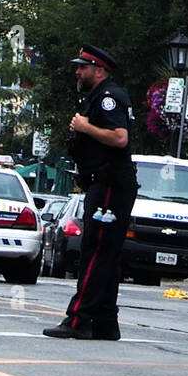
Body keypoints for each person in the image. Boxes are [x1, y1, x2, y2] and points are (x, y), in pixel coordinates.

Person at [44, 42, 138, 341]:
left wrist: (85, 127)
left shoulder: (109, 98)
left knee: (95, 252)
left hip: (111, 184)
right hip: (105, 183)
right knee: (106, 255)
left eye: (82, 67)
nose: (77, 71)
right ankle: (105, 322)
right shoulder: (97, 97)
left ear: (99, 70)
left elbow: (120, 138)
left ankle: (79, 319)